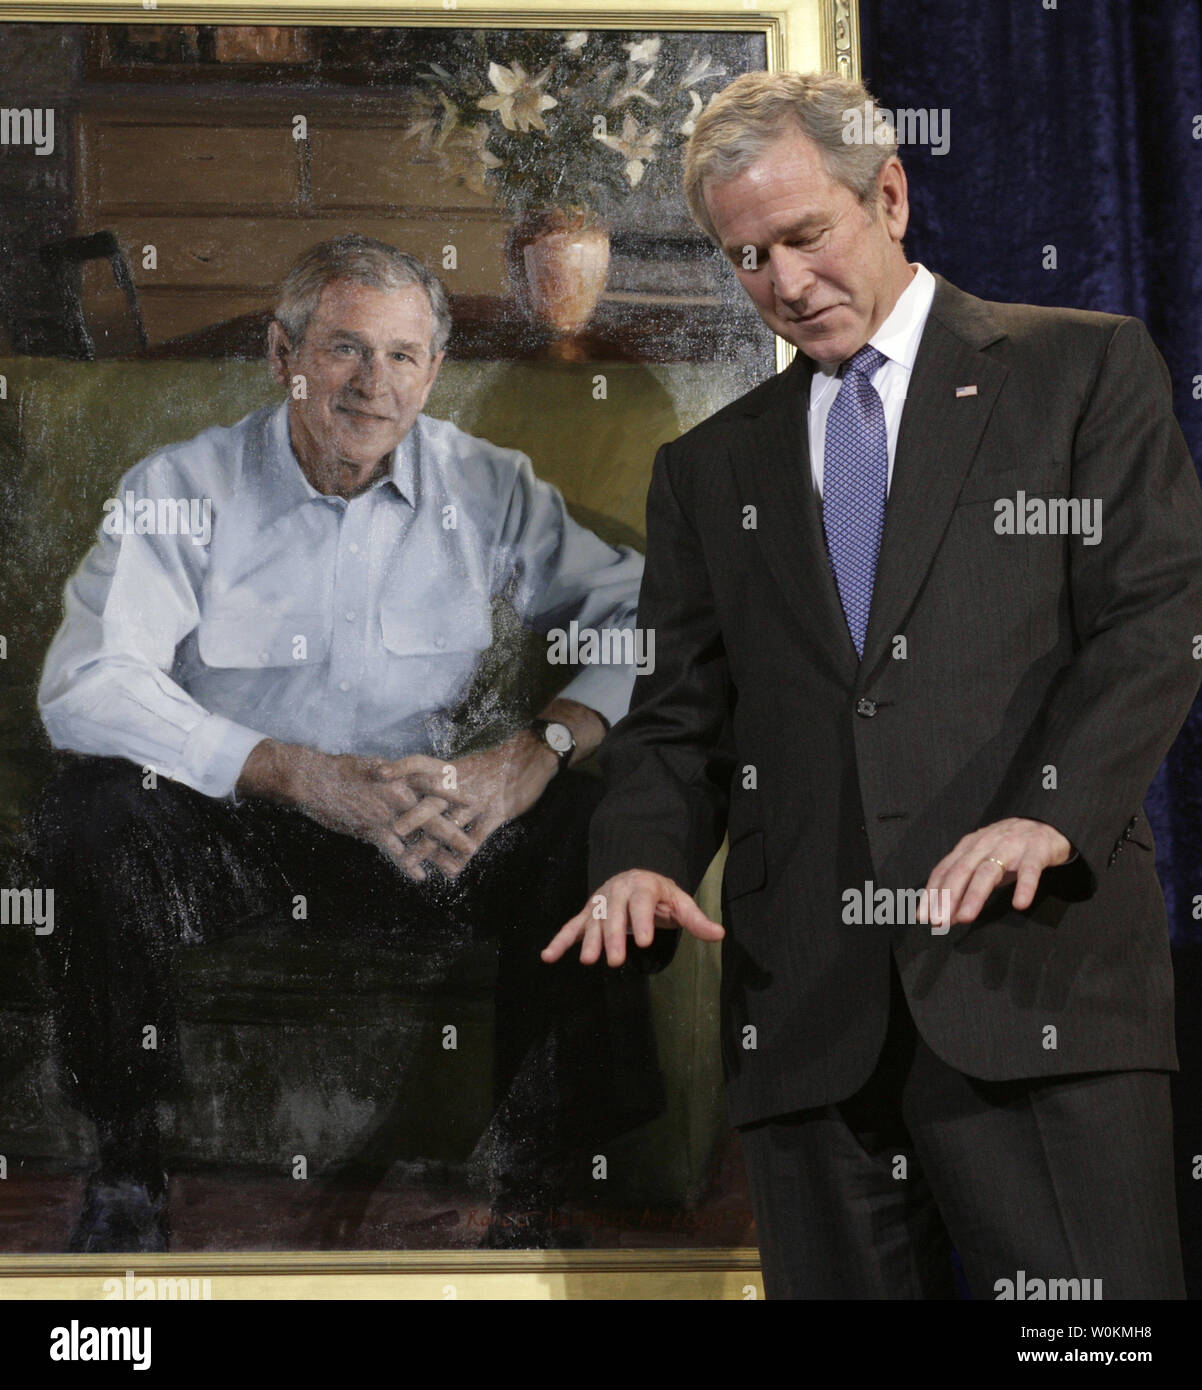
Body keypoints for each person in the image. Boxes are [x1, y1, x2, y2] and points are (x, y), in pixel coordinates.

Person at [544, 71, 1202, 1299]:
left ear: (887, 195)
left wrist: (1048, 813)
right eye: (746, 258)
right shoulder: (707, 469)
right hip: (805, 1020)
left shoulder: (1079, 372)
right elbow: (678, 716)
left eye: (804, 236)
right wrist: (636, 856)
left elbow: (1153, 621)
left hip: (1032, 983)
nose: (783, 285)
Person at [31, 233, 656, 1253]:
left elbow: (639, 608)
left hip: (419, 826)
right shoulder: (183, 484)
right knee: (90, 813)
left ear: (433, 372)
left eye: (402, 356)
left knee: (589, 822)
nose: (374, 385)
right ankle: (125, 1164)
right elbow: (85, 682)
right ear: (283, 357)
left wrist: (536, 748)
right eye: (343, 351)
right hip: (234, 825)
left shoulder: (485, 487)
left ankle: (537, 1186)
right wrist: (288, 767)